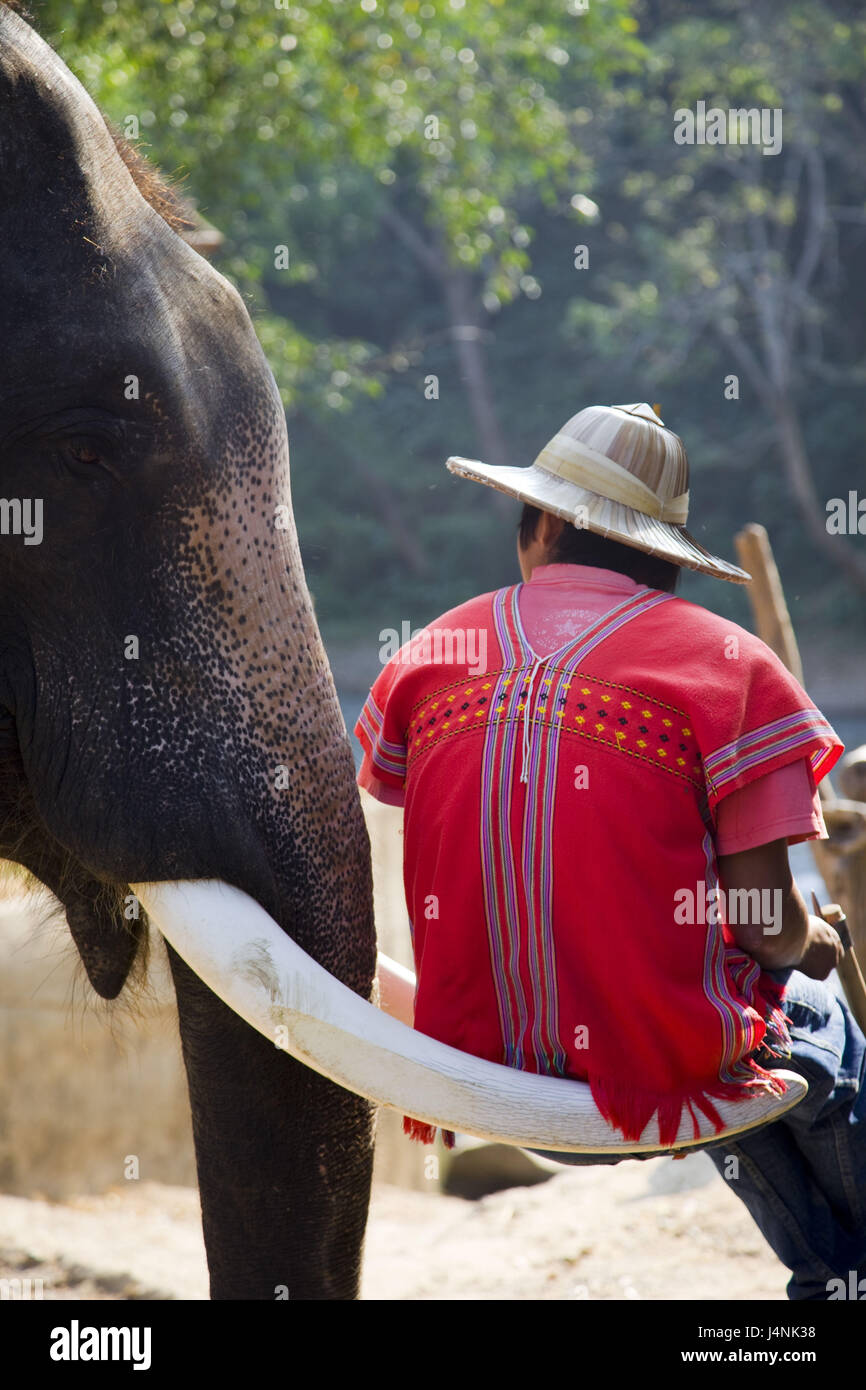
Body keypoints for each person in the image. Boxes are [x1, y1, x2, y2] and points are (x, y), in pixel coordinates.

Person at [354, 401, 866, 1300]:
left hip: (477, 1070)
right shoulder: (729, 669)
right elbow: (768, 935)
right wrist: (820, 943)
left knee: (749, 1056)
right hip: (651, 1075)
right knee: (821, 1033)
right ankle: (839, 1273)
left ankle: (835, 1276)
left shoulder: (430, 654)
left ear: (543, 523)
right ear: (664, 550)